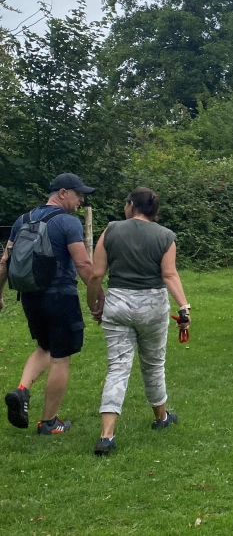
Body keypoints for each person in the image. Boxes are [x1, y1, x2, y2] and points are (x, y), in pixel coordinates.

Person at [86, 187, 191, 456]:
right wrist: (184, 306)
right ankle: (161, 417)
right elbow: (169, 275)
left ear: (131, 205)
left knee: (118, 368)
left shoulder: (111, 230)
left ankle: (106, 436)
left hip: (118, 304)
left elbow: (97, 274)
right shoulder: (166, 235)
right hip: (152, 307)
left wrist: (94, 303)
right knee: (154, 363)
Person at [0, 173, 103, 435]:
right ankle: (49, 422)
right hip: (60, 296)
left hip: (30, 296)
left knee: (44, 346)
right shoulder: (68, 223)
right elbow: (82, 264)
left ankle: (21, 390)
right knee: (60, 357)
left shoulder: (22, 220)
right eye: (79, 194)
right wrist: (99, 296)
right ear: (62, 193)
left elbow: (5, 261)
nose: (81, 200)